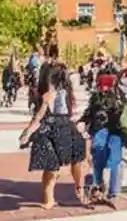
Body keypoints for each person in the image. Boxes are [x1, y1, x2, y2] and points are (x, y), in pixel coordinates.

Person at [19, 64, 88, 209]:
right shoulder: (52, 92)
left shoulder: (63, 91)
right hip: (56, 128)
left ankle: (76, 190)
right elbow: (40, 114)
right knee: (54, 166)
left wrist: (29, 131)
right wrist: (29, 131)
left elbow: (40, 115)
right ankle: (55, 197)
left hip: (62, 127)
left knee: (72, 161)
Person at [81, 71, 127, 202]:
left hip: (107, 132)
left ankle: (105, 188)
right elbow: (90, 112)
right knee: (110, 160)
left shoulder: (112, 97)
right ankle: (107, 189)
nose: (100, 87)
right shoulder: (114, 96)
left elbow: (91, 112)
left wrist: (84, 121)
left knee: (107, 161)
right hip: (111, 132)